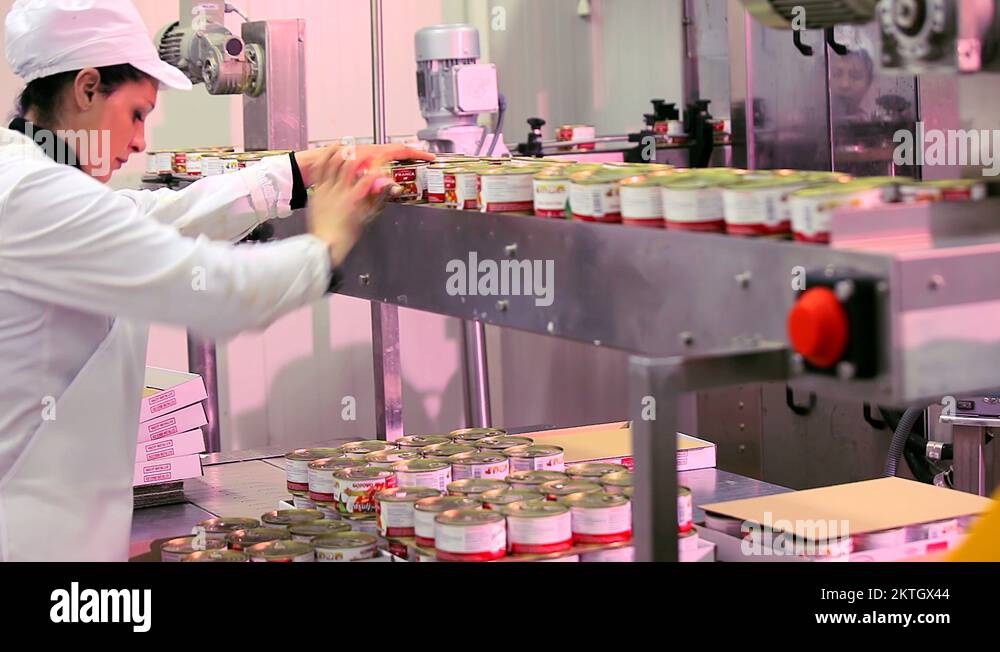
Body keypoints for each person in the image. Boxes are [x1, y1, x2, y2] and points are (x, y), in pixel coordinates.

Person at [0, 0, 432, 561]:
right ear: (86, 88)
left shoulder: (34, 180)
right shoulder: (34, 196)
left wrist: (302, 171)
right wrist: (325, 245)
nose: (138, 143)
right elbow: (211, 288)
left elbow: (158, 217)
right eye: (137, 113)